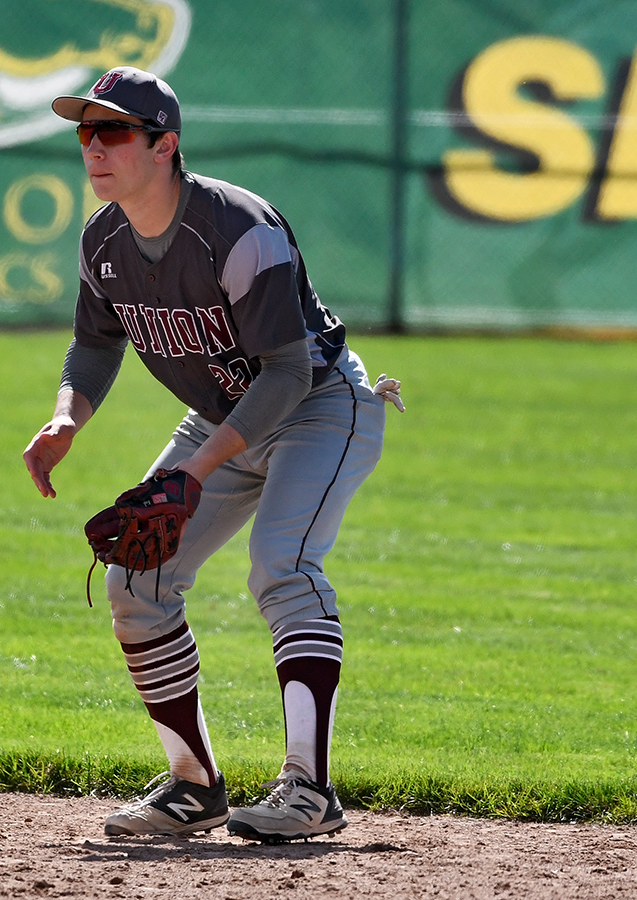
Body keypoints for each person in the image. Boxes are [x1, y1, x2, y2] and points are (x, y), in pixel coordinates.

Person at [22, 66, 404, 843]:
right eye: (86, 131)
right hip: (225, 416)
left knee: (282, 565)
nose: (93, 146)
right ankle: (194, 787)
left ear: (164, 145)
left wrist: (192, 474)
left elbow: (286, 373)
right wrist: (66, 418)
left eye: (113, 130)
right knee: (136, 580)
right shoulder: (103, 240)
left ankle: (310, 791)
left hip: (318, 404)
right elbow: (94, 345)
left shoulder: (237, 230)